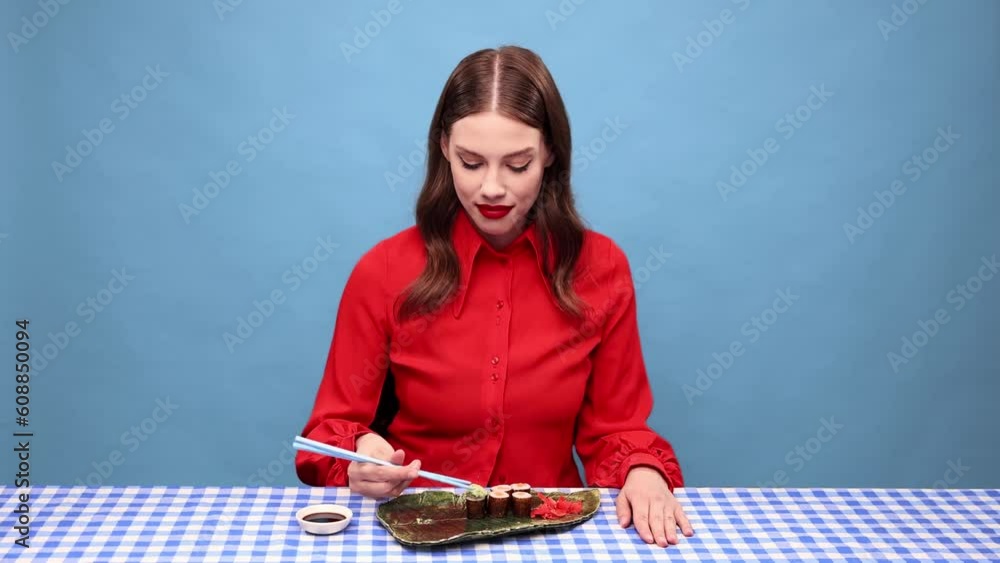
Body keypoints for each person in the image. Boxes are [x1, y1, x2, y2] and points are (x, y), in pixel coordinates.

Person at [296, 45, 693, 548]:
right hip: (417, 530)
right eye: (470, 162)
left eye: (518, 164)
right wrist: (360, 455)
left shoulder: (602, 268)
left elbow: (616, 429)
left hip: (552, 533)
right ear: (444, 147)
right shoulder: (384, 271)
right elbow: (329, 430)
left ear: (550, 153)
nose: (491, 188)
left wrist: (641, 470)